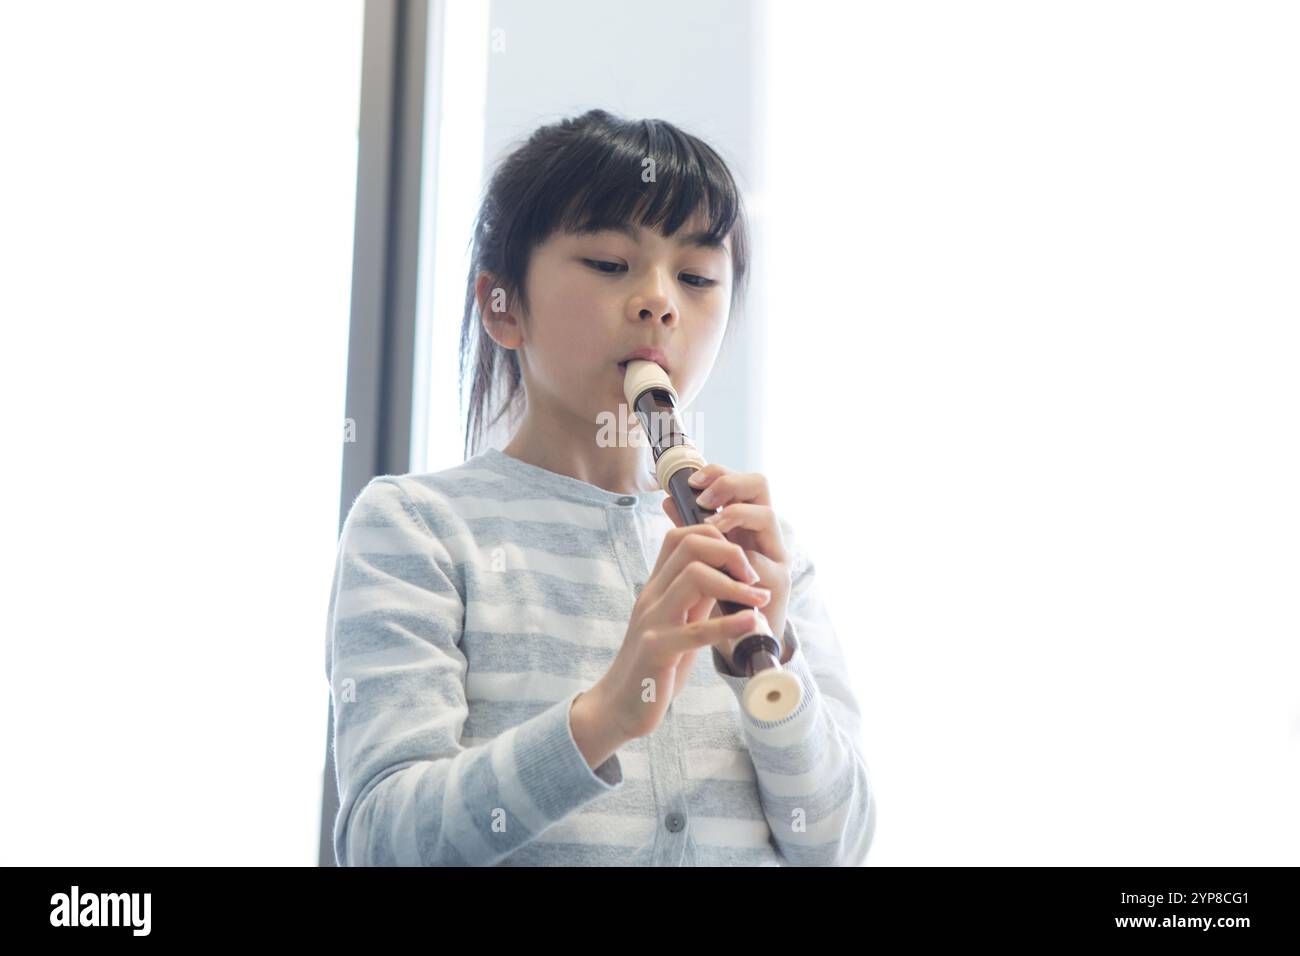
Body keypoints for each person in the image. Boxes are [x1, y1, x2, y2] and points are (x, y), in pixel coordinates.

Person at [325, 108, 875, 866]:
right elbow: (383, 844)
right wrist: (606, 716)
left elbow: (839, 846)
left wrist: (773, 655)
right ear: (503, 305)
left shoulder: (761, 551)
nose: (659, 302)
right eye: (610, 264)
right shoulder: (416, 528)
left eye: (696, 276)